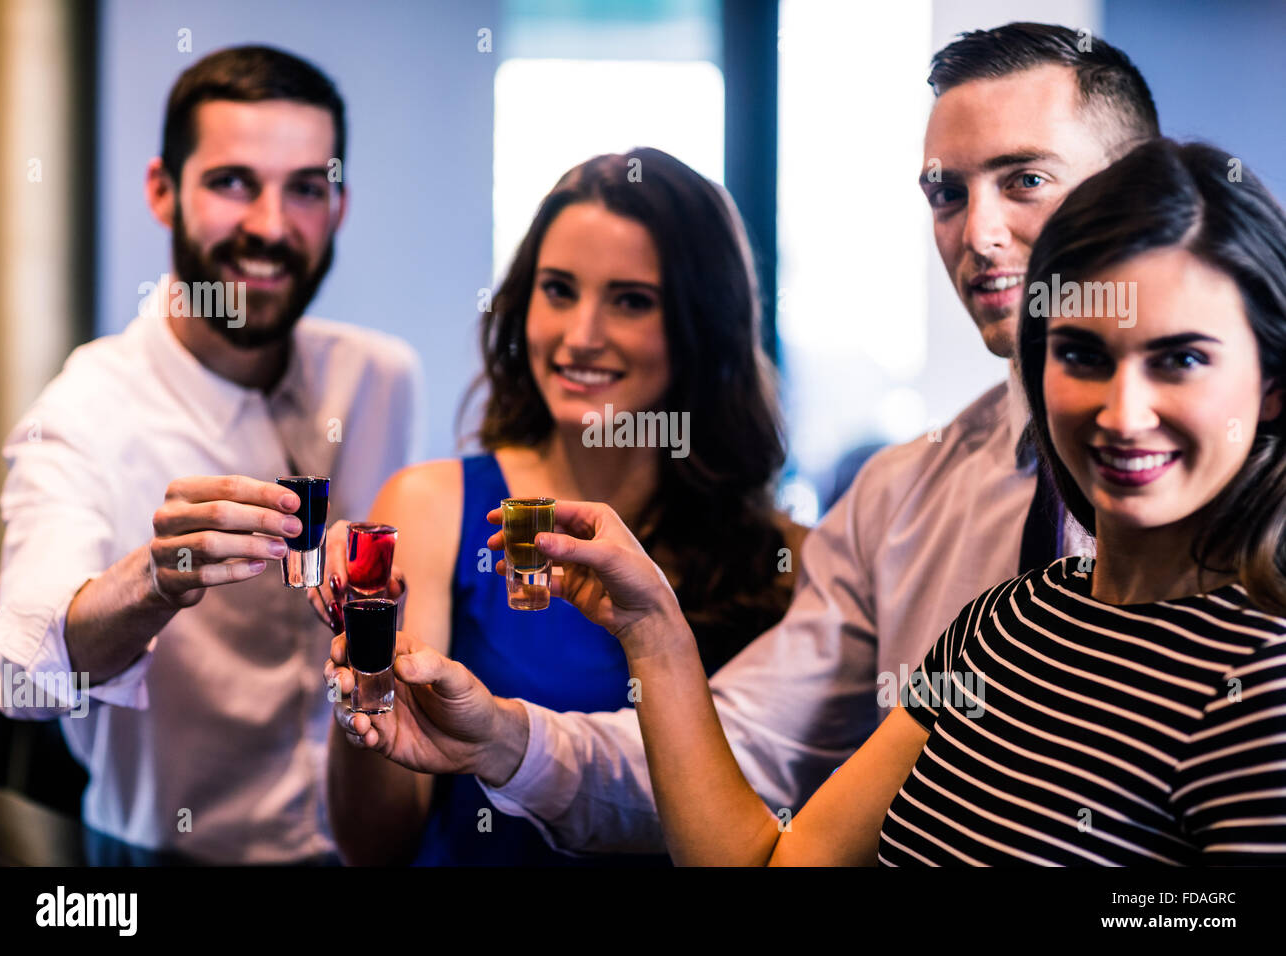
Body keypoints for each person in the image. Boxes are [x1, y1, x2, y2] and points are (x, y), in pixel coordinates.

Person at [323, 23, 1163, 856]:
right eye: (946, 193)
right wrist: (502, 739)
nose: (977, 233)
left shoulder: (1240, 506)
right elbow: (739, 763)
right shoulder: (895, 502)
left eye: (1025, 179)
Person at [484, 138, 1286, 865]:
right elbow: (768, 863)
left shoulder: (1263, 681)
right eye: (1081, 354)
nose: (1123, 411)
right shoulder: (1002, 624)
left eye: (1180, 359)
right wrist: (652, 632)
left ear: (1273, 386)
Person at [0, 45, 420, 864]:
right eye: (232, 182)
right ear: (161, 190)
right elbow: (19, 680)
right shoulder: (83, 411)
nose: (268, 224)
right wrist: (153, 578)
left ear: (340, 205)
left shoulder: (381, 379)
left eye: (305, 188)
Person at [317, 148, 806, 865]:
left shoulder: (788, 557)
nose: (580, 336)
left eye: (631, 300)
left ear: (706, 326)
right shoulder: (434, 506)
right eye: (558, 290)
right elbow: (374, 845)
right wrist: (365, 689)